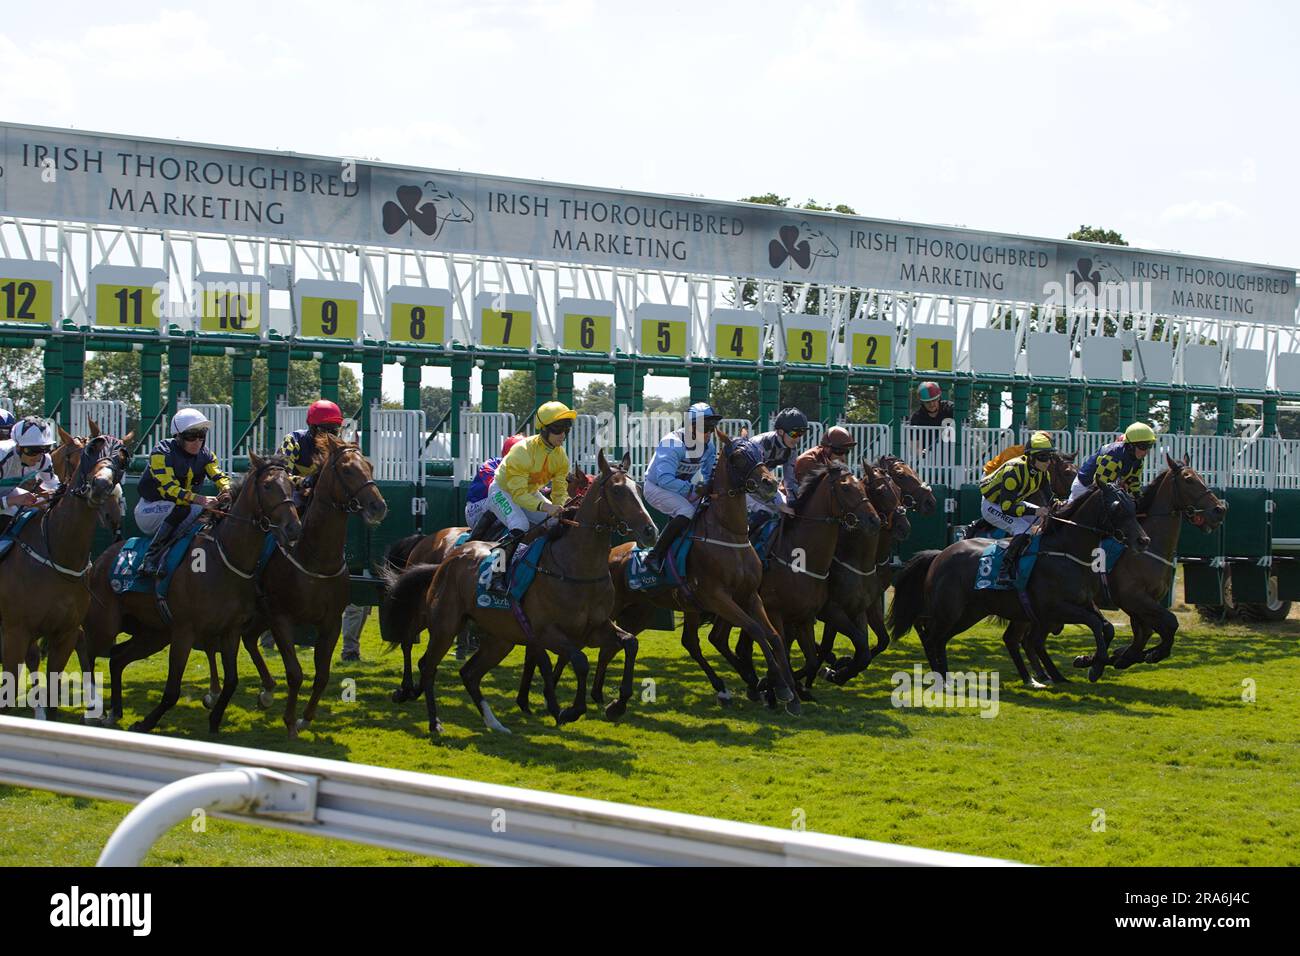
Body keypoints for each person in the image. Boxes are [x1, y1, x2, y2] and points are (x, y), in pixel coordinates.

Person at [482, 401, 575, 591]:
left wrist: (561, 506)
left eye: (566, 429)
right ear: (544, 429)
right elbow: (518, 495)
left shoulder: (561, 457)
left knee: (557, 523)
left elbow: (558, 491)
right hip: (503, 491)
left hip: (530, 492)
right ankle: (495, 573)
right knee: (520, 525)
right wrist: (546, 507)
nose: (563, 434)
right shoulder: (522, 451)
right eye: (558, 429)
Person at [135, 408, 231, 577]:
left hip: (182, 505)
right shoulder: (161, 452)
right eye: (191, 436)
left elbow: (219, 476)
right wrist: (200, 499)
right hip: (150, 509)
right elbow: (169, 489)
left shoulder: (206, 454)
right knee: (187, 509)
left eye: (201, 435)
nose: (197, 441)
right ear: (178, 437)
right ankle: (150, 557)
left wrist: (228, 490)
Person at [641, 402, 721, 572]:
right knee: (686, 511)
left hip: (681, 489)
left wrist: (711, 490)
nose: (708, 433)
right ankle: (654, 556)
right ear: (691, 427)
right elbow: (665, 480)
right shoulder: (672, 443)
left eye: (711, 428)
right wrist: (694, 490)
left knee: (708, 509)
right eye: (704, 428)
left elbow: (709, 477)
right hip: (656, 488)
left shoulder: (709, 447)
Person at [978, 431, 1058, 589]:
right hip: (992, 505)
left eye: (1050, 457)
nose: (1048, 461)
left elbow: (1051, 500)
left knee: (1045, 519)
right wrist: (1036, 512)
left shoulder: (1042, 474)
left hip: (1014, 502)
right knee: (1023, 528)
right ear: (1032, 457)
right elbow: (1007, 508)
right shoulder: (1013, 471)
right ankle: (1004, 571)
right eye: (1043, 457)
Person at [746, 407, 807, 528]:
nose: (798, 438)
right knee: (766, 511)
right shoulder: (759, 445)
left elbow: (790, 481)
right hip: (741, 485)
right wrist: (780, 504)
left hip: (759, 485)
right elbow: (757, 480)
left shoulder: (791, 449)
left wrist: (793, 503)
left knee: (790, 511)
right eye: (794, 433)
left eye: (801, 434)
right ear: (780, 431)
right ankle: (746, 543)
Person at [0, 417, 59, 536]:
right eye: (32, 450)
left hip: (7, 492)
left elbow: (53, 486)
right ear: (18, 446)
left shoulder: (44, 459)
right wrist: (14, 500)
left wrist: (50, 494)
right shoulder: (2, 455)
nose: (38, 457)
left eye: (44, 449)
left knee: (40, 509)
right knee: (9, 513)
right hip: (7, 495)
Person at [1069, 422, 1155, 503]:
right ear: (1131, 445)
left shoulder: (1138, 461)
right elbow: (1099, 485)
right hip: (1085, 487)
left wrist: (1138, 497)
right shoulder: (1114, 455)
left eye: (1149, 446)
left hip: (1104, 489)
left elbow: (1133, 481)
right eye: (1143, 446)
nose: (1146, 451)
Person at [465, 433, 525, 537]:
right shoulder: (490, 465)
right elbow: (498, 489)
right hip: (476, 510)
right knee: (500, 496)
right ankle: (475, 537)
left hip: (501, 506)